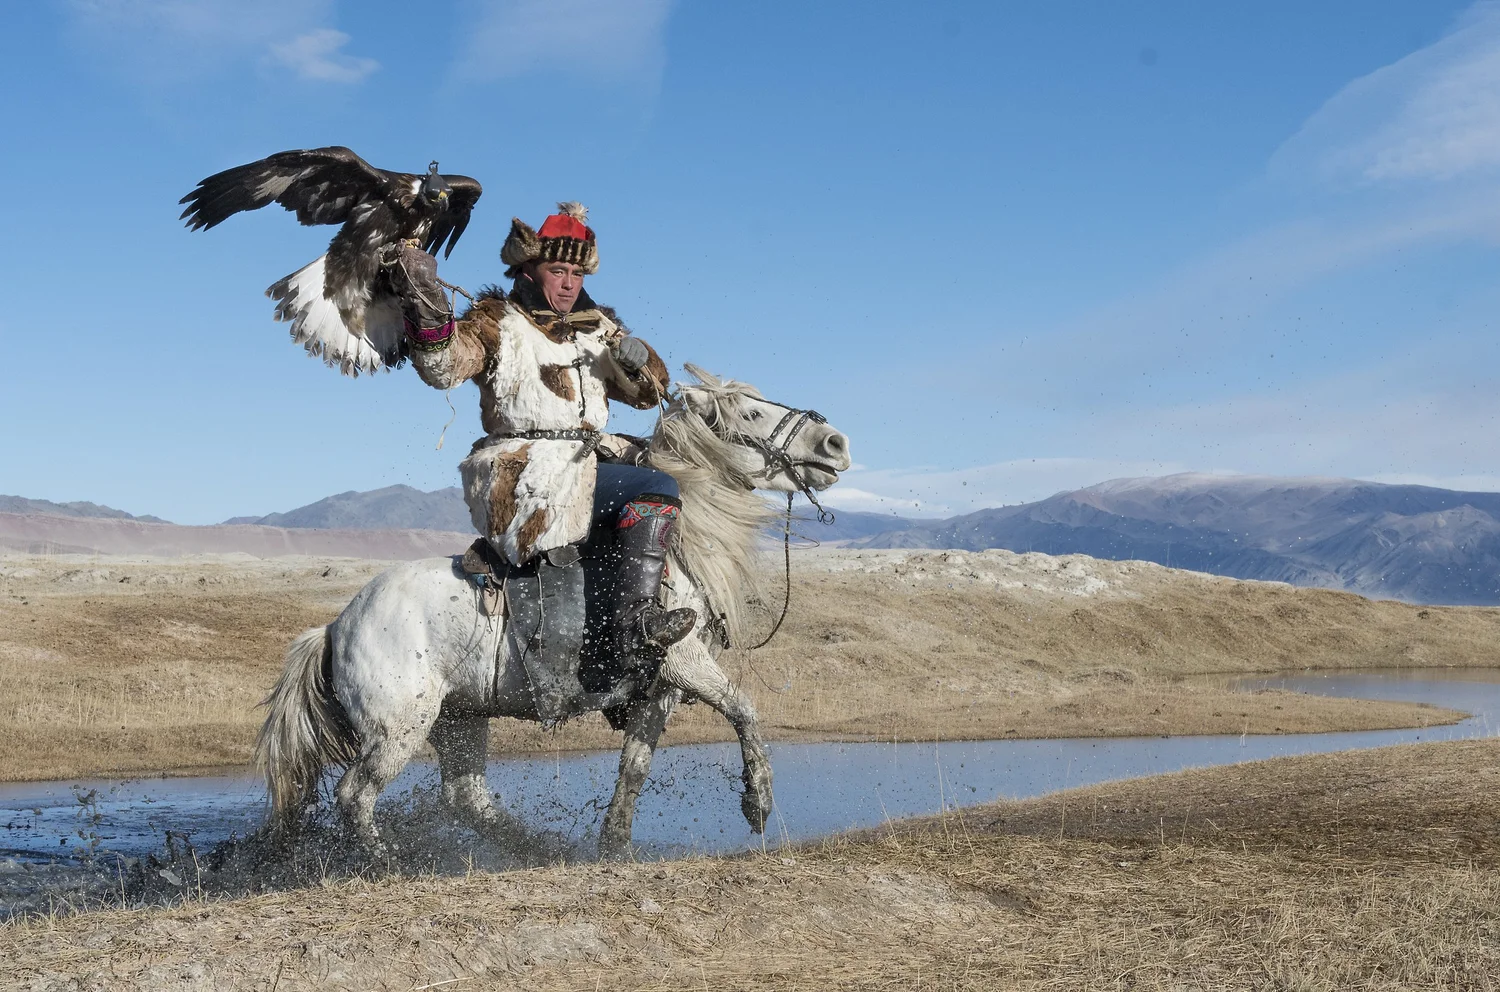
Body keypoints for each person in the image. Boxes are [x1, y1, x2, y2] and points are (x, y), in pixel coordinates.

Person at [389, 202, 696, 721]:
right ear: (528, 269)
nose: (570, 283)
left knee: (660, 495)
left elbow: (649, 395)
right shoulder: (496, 322)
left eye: (577, 273)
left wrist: (642, 363)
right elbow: (442, 369)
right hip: (523, 473)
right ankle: (636, 631)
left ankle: (611, 667)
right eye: (558, 271)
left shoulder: (599, 329)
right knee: (658, 486)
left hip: (586, 463)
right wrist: (428, 308)